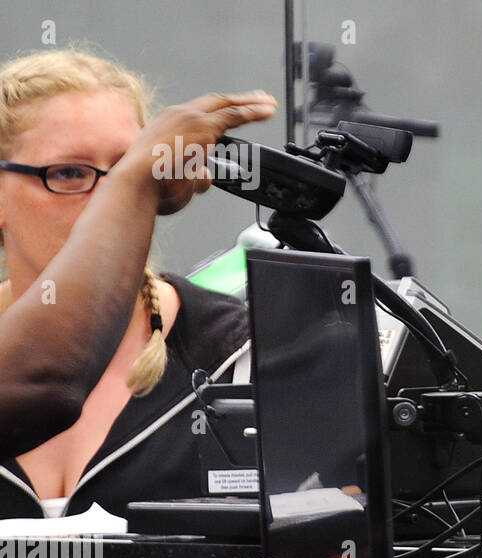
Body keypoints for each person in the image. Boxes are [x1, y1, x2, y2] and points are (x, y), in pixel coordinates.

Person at [0, 48, 277, 518]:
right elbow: (47, 379)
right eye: (69, 173)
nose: (111, 200)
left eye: (131, 172)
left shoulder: (248, 353)